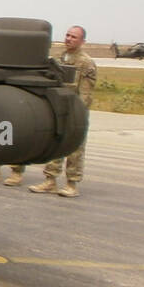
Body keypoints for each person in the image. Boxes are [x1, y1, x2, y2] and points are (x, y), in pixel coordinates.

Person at [27, 25, 97, 198]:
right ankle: (50, 181)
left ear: (82, 41)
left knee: (75, 148)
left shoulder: (86, 63)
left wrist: (78, 115)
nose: (69, 39)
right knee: (55, 145)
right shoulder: (58, 58)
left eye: (74, 37)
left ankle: (71, 183)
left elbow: (86, 93)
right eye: (67, 35)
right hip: (56, 109)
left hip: (74, 112)